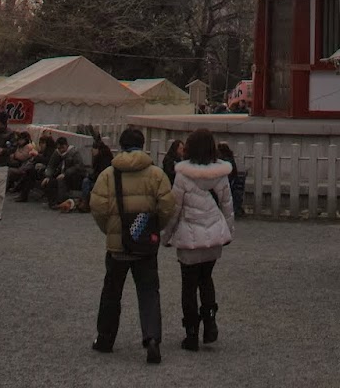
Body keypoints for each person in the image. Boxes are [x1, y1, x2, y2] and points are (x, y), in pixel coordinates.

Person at [89, 125, 175, 363]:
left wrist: (110, 229)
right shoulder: (156, 174)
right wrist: (153, 227)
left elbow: (97, 207)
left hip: (118, 244)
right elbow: (167, 206)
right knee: (148, 291)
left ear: (121, 145)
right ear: (143, 145)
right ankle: (152, 338)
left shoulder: (108, 174)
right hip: (145, 243)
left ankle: (105, 338)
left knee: (111, 292)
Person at [163, 127, 234, 352]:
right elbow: (227, 205)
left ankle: (191, 332)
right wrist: (227, 232)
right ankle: (210, 321)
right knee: (206, 280)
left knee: (188, 285)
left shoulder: (183, 176)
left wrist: (166, 236)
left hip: (189, 237)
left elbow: (174, 210)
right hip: (213, 236)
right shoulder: (220, 174)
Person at [44, 135, 85, 207]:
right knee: (51, 181)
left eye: (62, 148)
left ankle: (60, 200)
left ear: (66, 146)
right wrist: (48, 175)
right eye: (59, 148)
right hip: (59, 173)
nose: (61, 150)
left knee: (61, 181)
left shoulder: (74, 153)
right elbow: (51, 165)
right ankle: (52, 202)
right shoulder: (57, 153)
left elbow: (78, 166)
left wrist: (65, 173)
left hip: (72, 175)